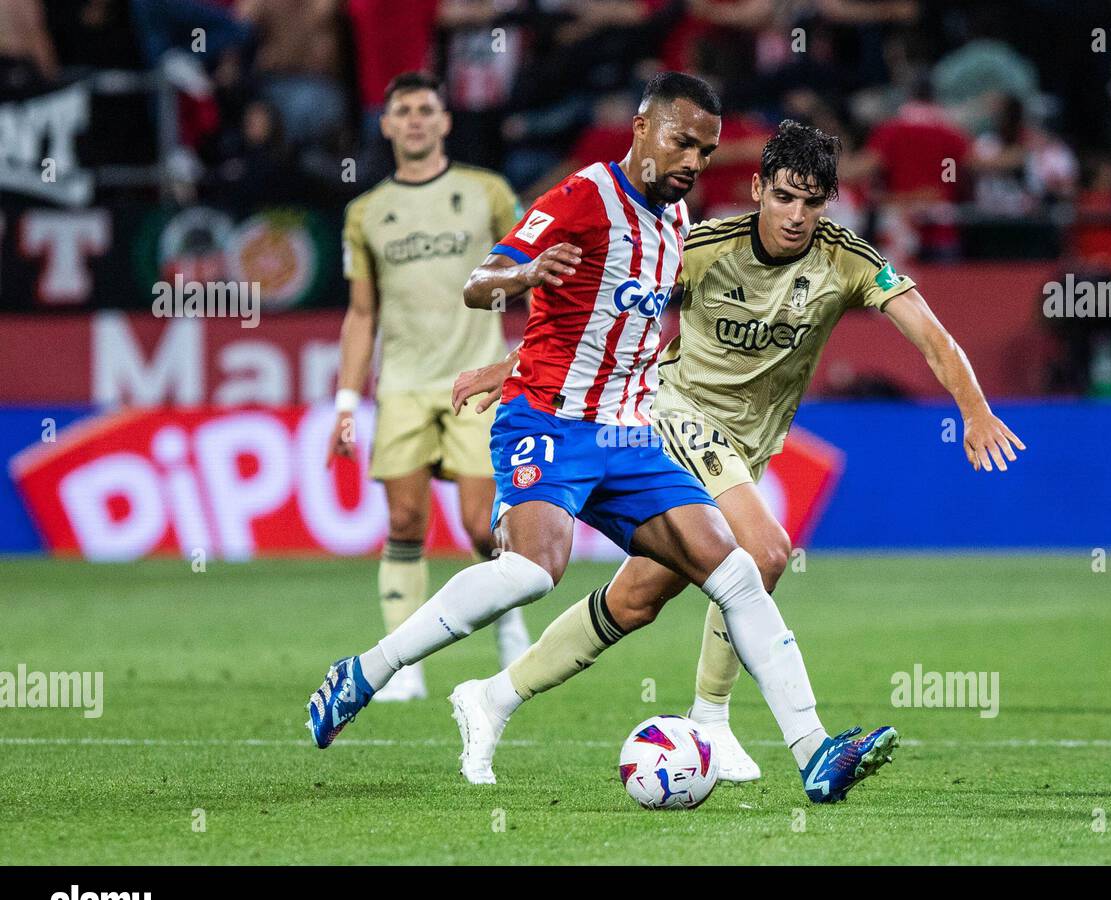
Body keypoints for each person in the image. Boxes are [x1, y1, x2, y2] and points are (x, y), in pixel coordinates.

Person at [309, 71, 897, 805]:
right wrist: (525, 275)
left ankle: (814, 752)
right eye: (681, 142)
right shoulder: (584, 195)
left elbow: (620, 332)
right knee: (533, 571)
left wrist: (509, 359)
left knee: (738, 570)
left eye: (705, 151)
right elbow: (479, 280)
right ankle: (367, 671)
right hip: (549, 421)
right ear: (642, 129)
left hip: (629, 437)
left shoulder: (675, 224)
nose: (692, 161)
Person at [448, 119, 1025, 783]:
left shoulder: (847, 261)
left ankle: (493, 697)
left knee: (636, 600)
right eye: (784, 196)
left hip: (745, 447)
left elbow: (932, 336)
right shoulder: (701, 248)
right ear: (757, 189)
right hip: (671, 412)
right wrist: (509, 369)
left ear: (829, 203)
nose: (795, 215)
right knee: (766, 549)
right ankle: (718, 721)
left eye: (811, 202)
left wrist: (974, 410)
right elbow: (608, 316)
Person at [328, 71, 531, 701]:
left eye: (425, 109)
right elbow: (362, 313)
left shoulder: (488, 192)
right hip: (403, 386)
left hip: (475, 378)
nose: (415, 119)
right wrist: (345, 402)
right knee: (405, 520)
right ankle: (401, 666)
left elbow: (530, 276)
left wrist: (528, 360)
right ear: (387, 124)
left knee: (480, 526)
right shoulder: (364, 213)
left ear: (445, 121)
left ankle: (508, 621)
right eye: (403, 111)